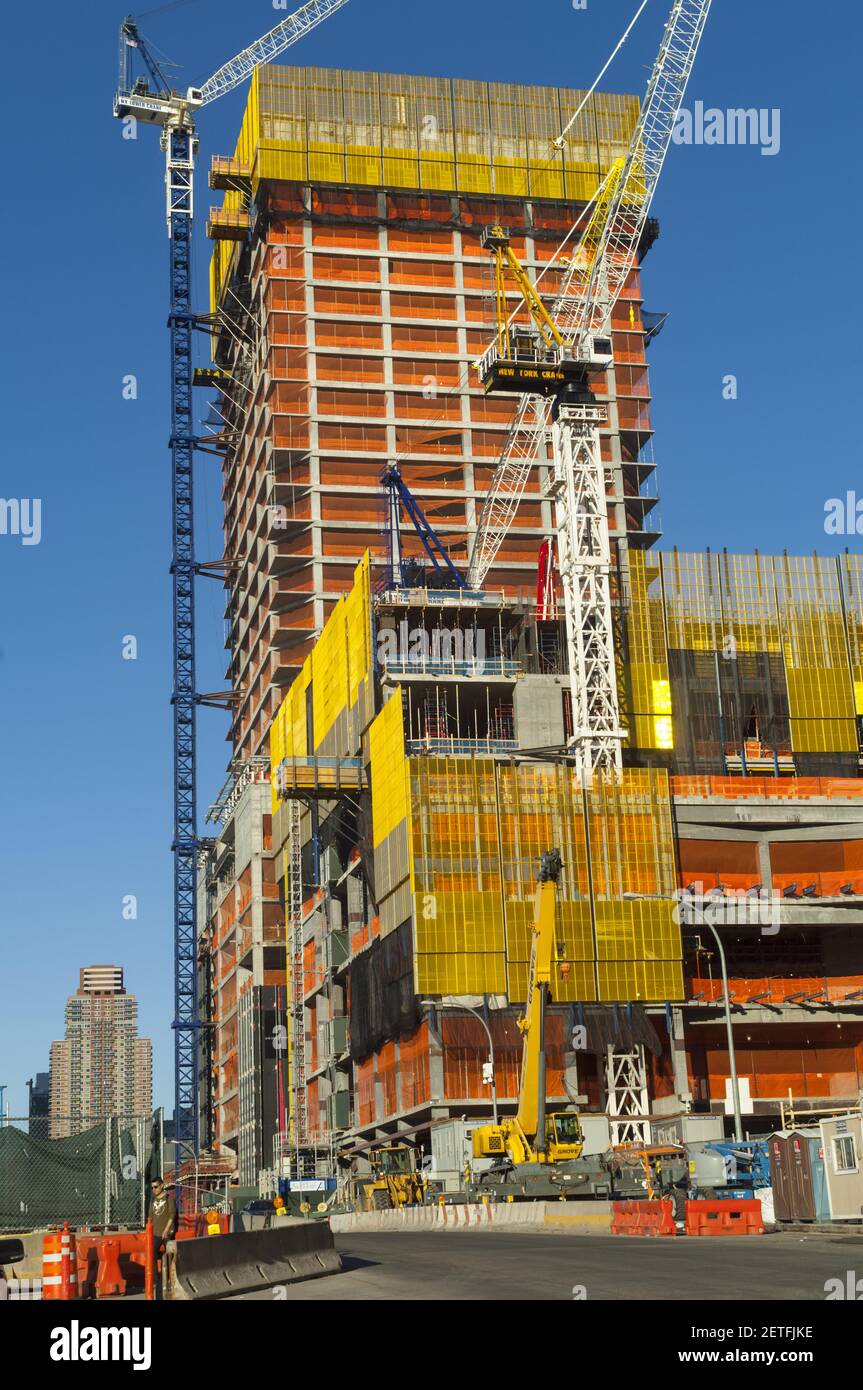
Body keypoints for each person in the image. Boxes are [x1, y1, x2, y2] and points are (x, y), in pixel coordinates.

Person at [149, 1178, 178, 1300]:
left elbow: (172, 1215)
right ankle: (157, 1279)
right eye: (152, 1187)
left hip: (167, 1232)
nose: (154, 1189)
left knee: (170, 1256)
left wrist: (166, 1230)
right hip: (156, 1233)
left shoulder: (169, 1198)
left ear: (162, 1186)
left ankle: (171, 1278)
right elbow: (150, 1217)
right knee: (152, 1254)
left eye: (156, 1187)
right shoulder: (153, 1200)